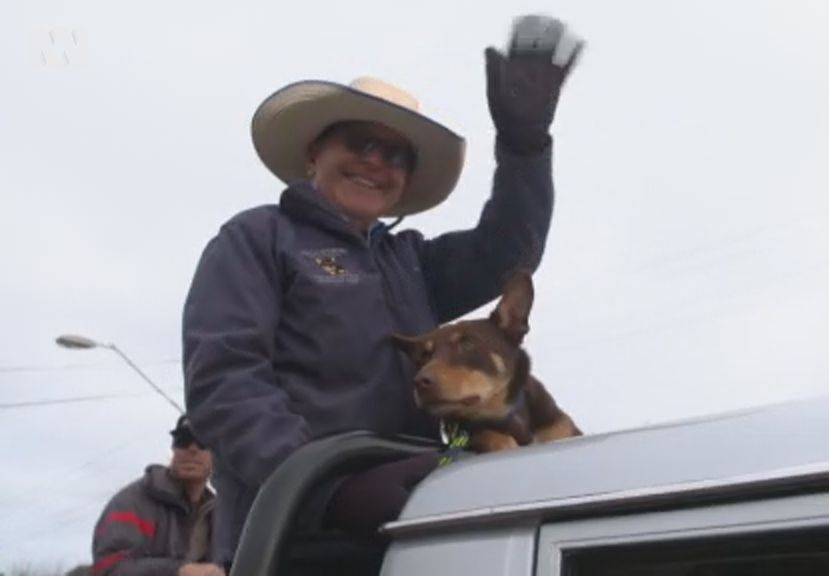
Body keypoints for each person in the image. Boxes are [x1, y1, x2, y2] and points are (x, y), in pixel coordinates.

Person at [182, 14, 583, 568]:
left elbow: (510, 251)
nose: (377, 161)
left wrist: (524, 147)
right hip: (289, 540)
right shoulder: (256, 239)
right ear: (313, 155)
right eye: (360, 142)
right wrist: (321, 487)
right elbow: (226, 381)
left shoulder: (413, 262)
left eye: (396, 156)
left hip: (420, 527)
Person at [91, 416, 219, 576]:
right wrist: (177, 571)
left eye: (202, 441)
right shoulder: (130, 502)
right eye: (182, 440)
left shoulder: (220, 514)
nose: (192, 449)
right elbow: (109, 569)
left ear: (217, 453)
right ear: (173, 449)